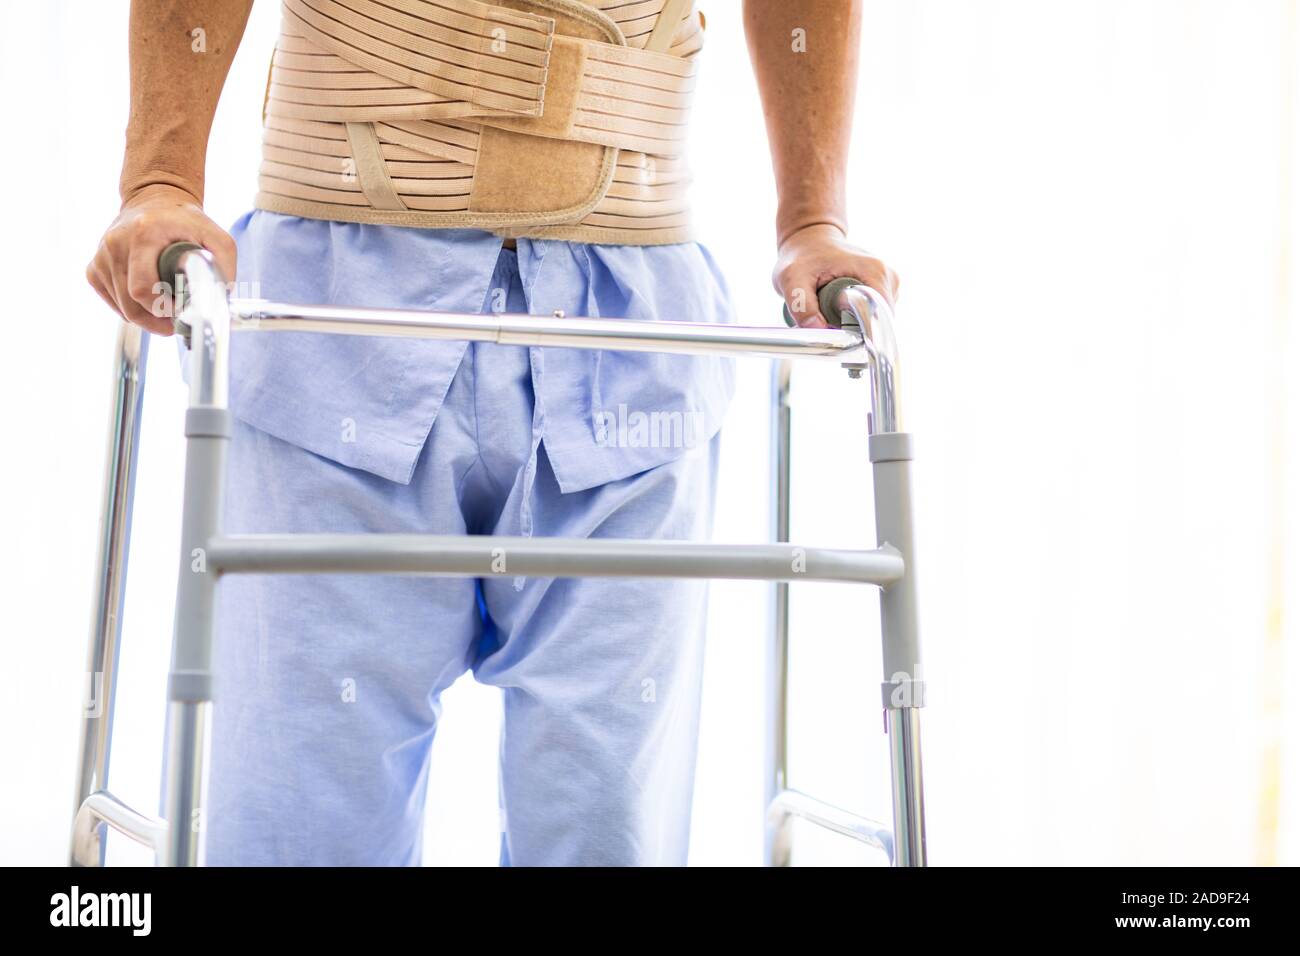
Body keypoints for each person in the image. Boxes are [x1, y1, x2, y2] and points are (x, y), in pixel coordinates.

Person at [86, 0, 899, 866]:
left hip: (628, 338)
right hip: (334, 316)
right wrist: (160, 184)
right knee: (307, 838)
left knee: (606, 837)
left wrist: (813, 222)